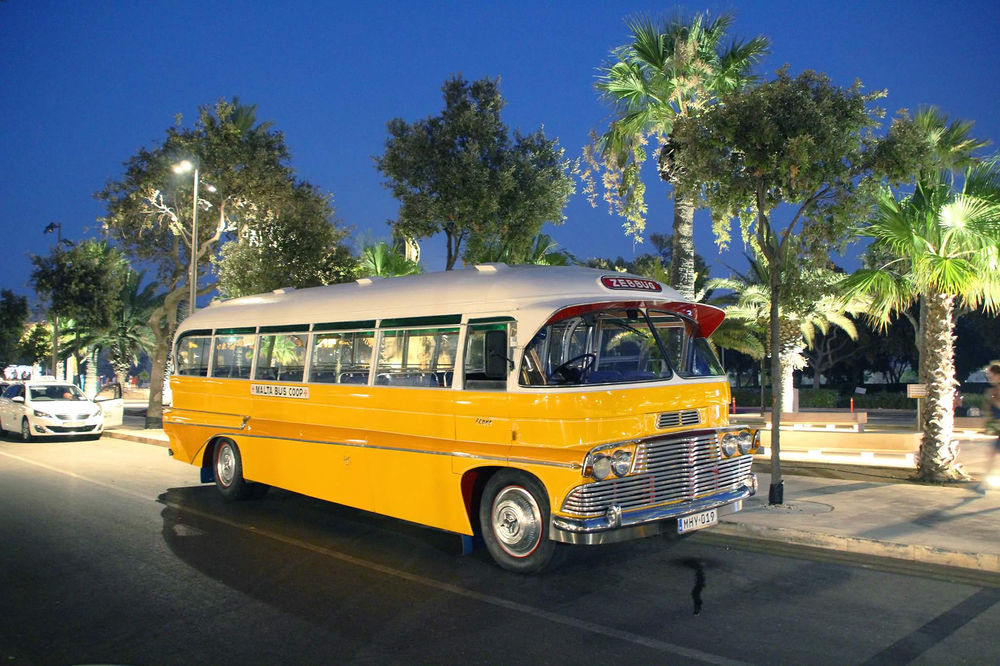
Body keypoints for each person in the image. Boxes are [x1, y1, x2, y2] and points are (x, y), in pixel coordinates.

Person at [977, 360, 1000, 494]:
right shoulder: (993, 390)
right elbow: (988, 410)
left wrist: (993, 398)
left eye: (992, 375)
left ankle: (983, 484)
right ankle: (983, 483)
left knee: (992, 455)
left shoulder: (996, 390)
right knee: (991, 455)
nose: (990, 378)